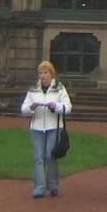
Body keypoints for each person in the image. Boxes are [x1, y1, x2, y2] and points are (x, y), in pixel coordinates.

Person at [21, 60, 71, 199]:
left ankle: (53, 184)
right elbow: (23, 109)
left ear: (51, 74)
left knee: (50, 156)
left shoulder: (59, 88)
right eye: (41, 73)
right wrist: (31, 107)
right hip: (36, 127)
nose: (43, 76)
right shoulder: (33, 89)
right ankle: (39, 187)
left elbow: (68, 107)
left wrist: (55, 106)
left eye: (45, 72)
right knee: (38, 158)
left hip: (53, 127)